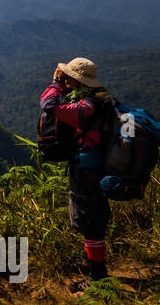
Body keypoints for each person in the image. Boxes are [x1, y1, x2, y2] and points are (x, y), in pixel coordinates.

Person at [40, 57, 115, 292]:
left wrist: (55, 83)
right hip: (96, 166)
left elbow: (49, 106)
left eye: (68, 76)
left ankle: (97, 277)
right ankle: (91, 263)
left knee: (89, 220)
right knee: (92, 217)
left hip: (87, 169)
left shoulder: (86, 107)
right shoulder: (101, 97)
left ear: (76, 79)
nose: (65, 79)